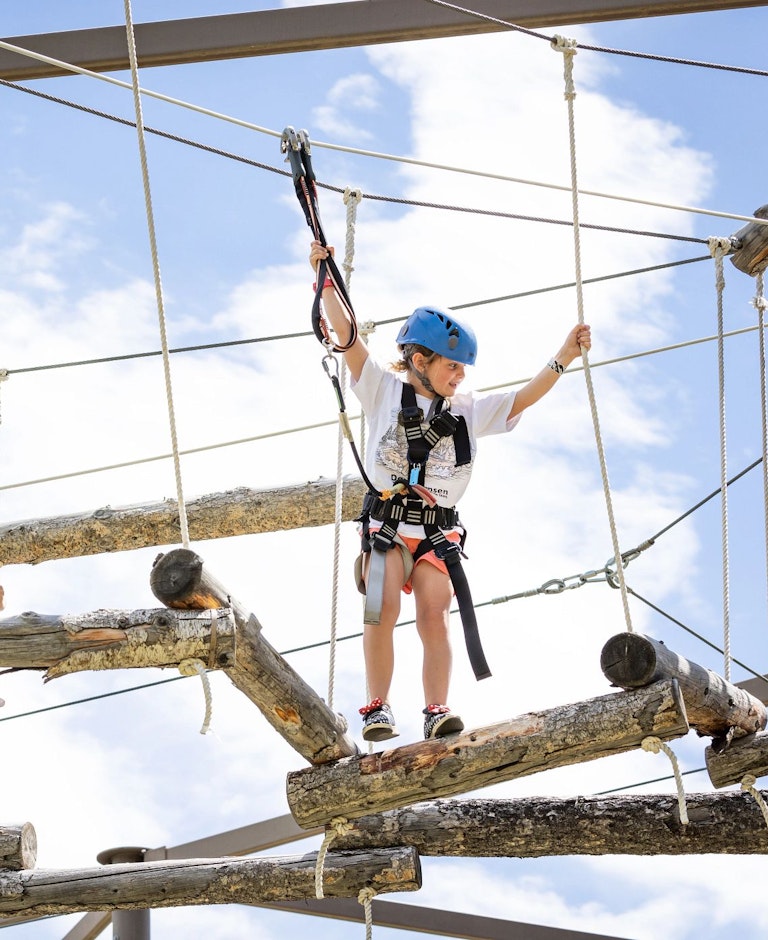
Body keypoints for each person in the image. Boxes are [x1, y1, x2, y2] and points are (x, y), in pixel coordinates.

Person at [309, 240, 591, 743]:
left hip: (437, 534)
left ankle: (436, 709)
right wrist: (326, 279)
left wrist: (563, 357)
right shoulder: (380, 389)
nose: (460, 378)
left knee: (434, 615)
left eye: (462, 371)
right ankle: (377, 706)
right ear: (419, 360)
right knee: (379, 605)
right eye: (452, 368)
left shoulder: (467, 410)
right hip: (388, 527)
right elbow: (348, 338)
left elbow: (522, 397)